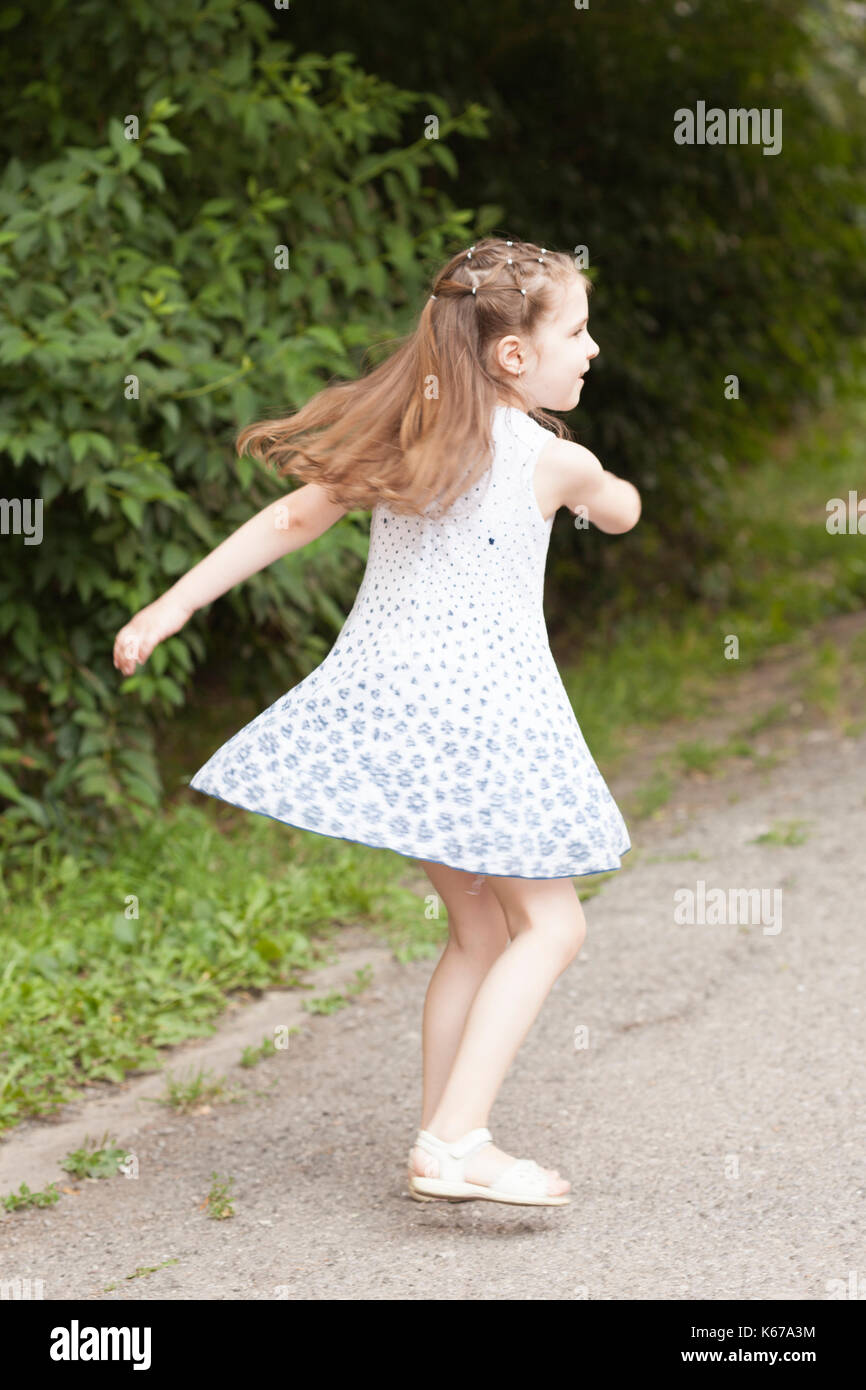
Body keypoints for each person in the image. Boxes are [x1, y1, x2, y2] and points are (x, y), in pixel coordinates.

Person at [113, 236, 641, 1208]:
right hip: (485, 720)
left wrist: (170, 607)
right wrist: (609, 488)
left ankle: (437, 1135)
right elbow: (619, 513)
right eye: (574, 329)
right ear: (512, 356)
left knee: (477, 930)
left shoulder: (416, 437)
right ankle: (456, 1141)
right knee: (552, 926)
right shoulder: (548, 459)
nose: (592, 347)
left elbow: (289, 522)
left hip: (392, 715)